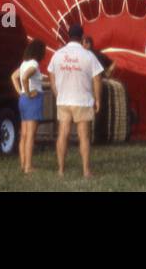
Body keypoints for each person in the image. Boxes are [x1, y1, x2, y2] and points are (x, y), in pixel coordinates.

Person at [47, 24, 104, 178]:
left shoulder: (57, 55)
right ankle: (86, 170)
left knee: (62, 134)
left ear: (68, 36)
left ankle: (60, 170)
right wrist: (98, 99)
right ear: (82, 37)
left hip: (64, 100)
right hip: (82, 100)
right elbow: (97, 78)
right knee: (83, 137)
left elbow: (51, 75)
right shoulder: (88, 55)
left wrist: (57, 92)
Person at [10, 39, 47, 173]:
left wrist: (21, 92)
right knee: (31, 135)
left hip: (23, 100)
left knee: (24, 134)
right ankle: (28, 166)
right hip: (33, 99)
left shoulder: (24, 63)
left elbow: (14, 76)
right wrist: (28, 91)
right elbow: (25, 77)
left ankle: (23, 163)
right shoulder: (34, 64)